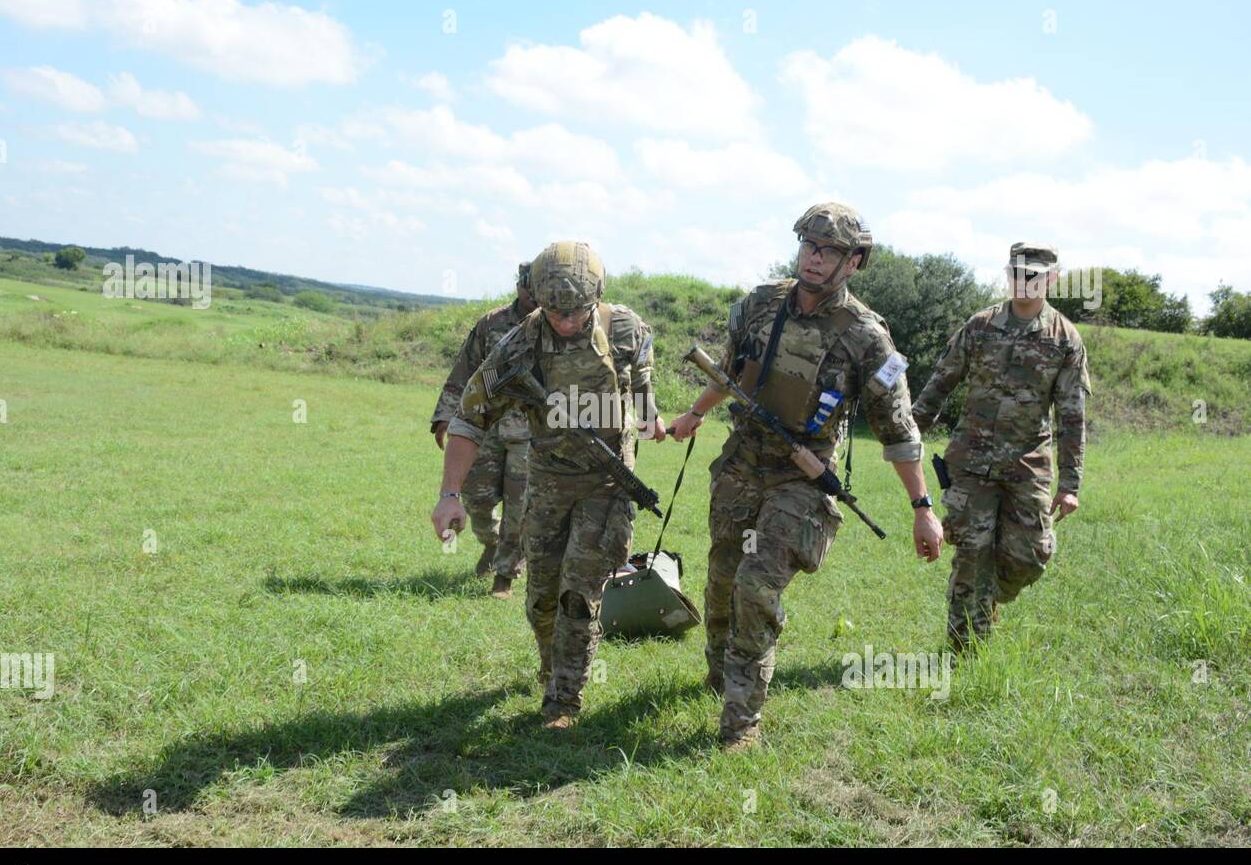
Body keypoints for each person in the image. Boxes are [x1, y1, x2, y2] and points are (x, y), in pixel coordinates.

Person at [669, 203, 943, 751]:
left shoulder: (867, 337)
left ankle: (740, 721)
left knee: (755, 585)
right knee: (722, 580)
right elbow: (729, 373)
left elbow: (898, 427)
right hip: (741, 464)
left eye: (830, 252)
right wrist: (695, 414)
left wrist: (923, 508)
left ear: (854, 262)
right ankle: (723, 674)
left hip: (803, 475)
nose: (815, 260)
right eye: (809, 247)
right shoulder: (760, 305)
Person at [431, 241, 666, 727]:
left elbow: (644, 399)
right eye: (553, 311)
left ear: (596, 296)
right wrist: (449, 494)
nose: (563, 322)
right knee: (541, 598)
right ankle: (550, 666)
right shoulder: (518, 343)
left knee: (578, 594)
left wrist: (652, 423)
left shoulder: (627, 330)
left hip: (607, 485)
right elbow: (469, 420)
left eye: (575, 311)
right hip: (548, 481)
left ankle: (564, 700)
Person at [912, 242, 1090, 651]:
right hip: (970, 464)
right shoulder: (980, 326)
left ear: (1052, 279)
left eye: (1034, 275)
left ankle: (990, 597)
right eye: (1017, 273)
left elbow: (1072, 415)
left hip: (1027, 466)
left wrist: (1071, 484)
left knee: (1030, 556)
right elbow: (941, 382)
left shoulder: (1065, 339)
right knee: (972, 555)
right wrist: (911, 433)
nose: (1023, 282)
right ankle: (963, 652)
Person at [430, 263, 535, 598]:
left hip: (529, 432)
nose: (532, 295)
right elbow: (465, 369)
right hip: (485, 428)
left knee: (520, 506)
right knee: (477, 500)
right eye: (527, 287)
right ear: (519, 285)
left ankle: (505, 575)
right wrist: (446, 414)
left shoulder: (553, 328)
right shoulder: (491, 323)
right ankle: (492, 542)